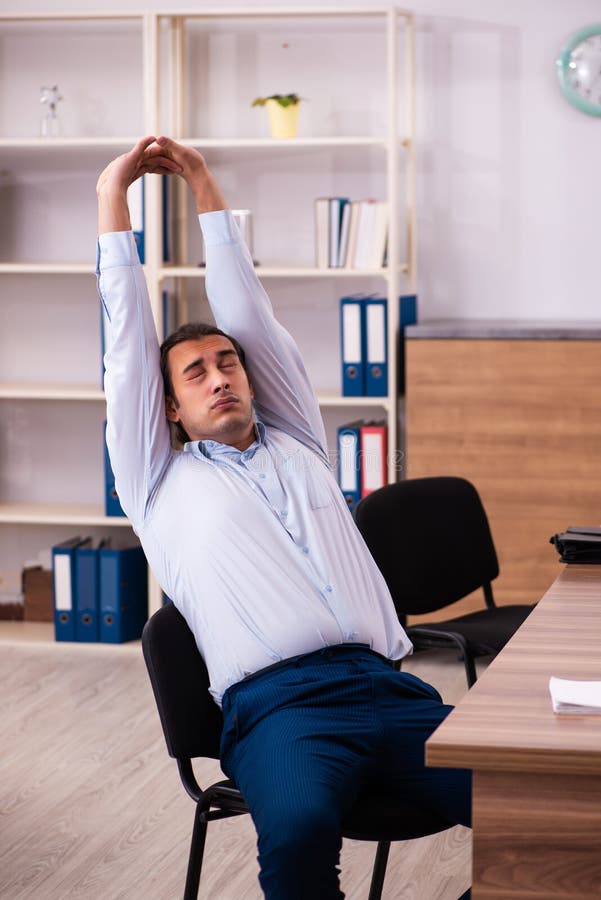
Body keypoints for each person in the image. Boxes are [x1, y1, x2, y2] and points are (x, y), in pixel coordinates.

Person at [96, 136, 471, 900]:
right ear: (168, 409)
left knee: (544, 809)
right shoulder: (156, 481)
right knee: (299, 836)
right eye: (195, 373)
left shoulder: (299, 438)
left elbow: (251, 317)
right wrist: (113, 196)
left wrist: (204, 186)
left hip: (391, 691)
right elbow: (128, 344)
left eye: (227, 363)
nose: (220, 377)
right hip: (281, 711)